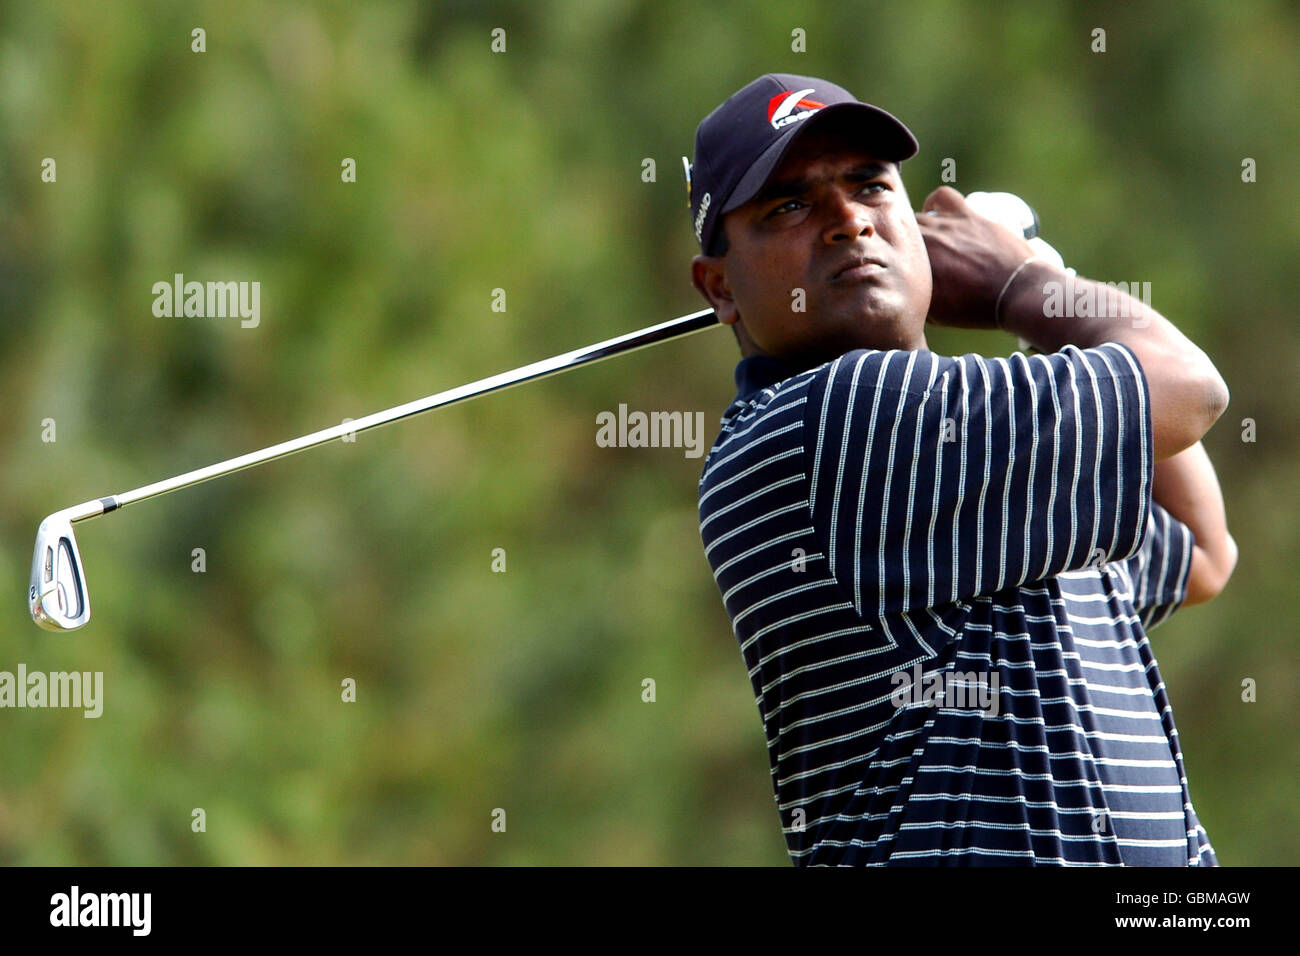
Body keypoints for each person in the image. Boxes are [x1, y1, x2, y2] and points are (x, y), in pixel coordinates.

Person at [687, 73, 1237, 865]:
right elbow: (1191, 390)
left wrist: (1041, 278)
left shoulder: (987, 457)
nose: (848, 221)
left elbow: (1200, 547)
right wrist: (1022, 283)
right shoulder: (839, 417)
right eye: (790, 206)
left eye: (871, 187)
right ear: (719, 288)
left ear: (914, 226)